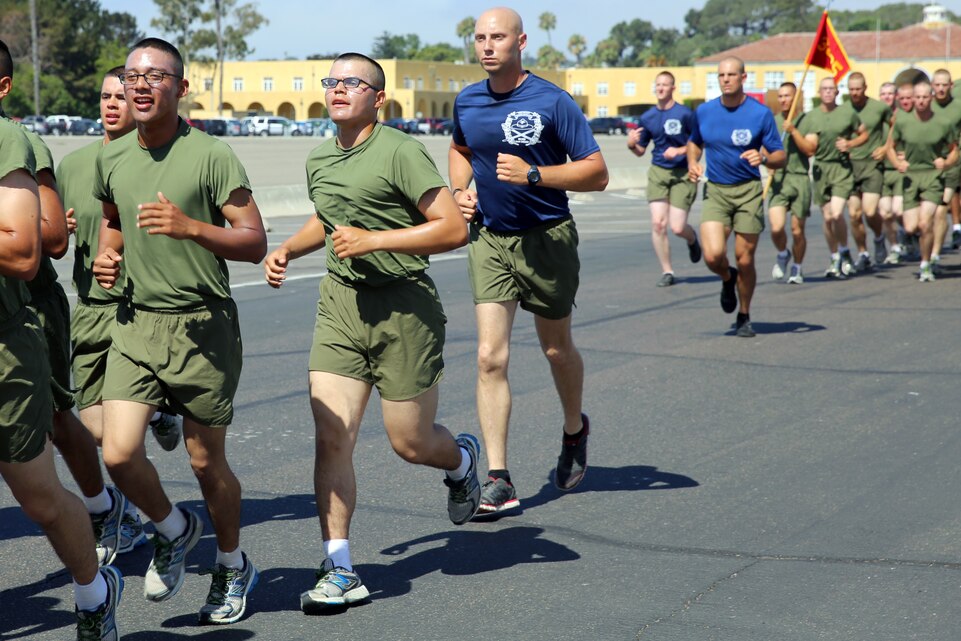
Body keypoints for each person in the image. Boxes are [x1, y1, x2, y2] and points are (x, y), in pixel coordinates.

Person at [264, 52, 479, 613]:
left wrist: (375, 241)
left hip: (404, 309)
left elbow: (453, 227)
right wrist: (289, 246)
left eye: (351, 83)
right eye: (331, 81)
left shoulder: (401, 151)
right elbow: (330, 217)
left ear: (377, 98)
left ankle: (460, 463)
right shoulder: (319, 157)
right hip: (341, 306)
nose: (337, 89)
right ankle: (339, 566)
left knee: (411, 442)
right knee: (332, 434)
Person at [92, 37, 266, 624]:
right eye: (134, 76)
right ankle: (173, 528)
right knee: (117, 453)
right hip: (136, 322)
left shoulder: (213, 157)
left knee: (204, 462)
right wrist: (105, 257)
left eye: (156, 77)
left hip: (202, 327)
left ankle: (231, 562)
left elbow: (253, 241)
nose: (141, 86)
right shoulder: (112, 158)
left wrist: (191, 228)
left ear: (180, 88)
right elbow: (113, 226)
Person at [448, 7, 609, 514]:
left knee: (556, 350)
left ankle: (573, 429)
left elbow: (597, 172)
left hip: (548, 239)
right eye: (480, 38)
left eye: (498, 37)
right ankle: (498, 477)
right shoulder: (467, 100)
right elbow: (459, 148)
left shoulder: (552, 100)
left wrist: (536, 175)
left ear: (521, 42)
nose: (487, 45)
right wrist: (459, 190)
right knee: (489, 356)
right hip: (491, 238)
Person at [0, 39, 128, 569]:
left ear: (4, 87)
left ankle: (100, 507)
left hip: (29, 304)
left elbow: (49, 240)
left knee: (54, 413)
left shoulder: (22, 144)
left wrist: (43, 221)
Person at [58, 66, 184, 559]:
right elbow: (52, 240)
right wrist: (59, 231)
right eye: (106, 96)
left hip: (139, 307)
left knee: (121, 431)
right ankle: (155, 421)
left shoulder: (155, 161)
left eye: (121, 96)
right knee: (94, 426)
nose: (113, 104)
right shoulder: (73, 166)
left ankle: (133, 513)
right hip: (90, 306)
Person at [687, 56, 785, 338]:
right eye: (721, 75)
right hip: (716, 190)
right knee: (713, 255)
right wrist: (693, 162)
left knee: (745, 259)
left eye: (732, 75)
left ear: (744, 78)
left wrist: (764, 156)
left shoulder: (760, 114)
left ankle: (744, 315)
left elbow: (780, 156)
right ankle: (726, 278)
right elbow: (694, 143)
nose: (726, 79)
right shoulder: (704, 112)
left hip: (748, 192)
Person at [627, 70, 701, 287]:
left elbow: (698, 143)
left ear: (673, 88)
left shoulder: (686, 114)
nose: (660, 88)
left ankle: (692, 239)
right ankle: (667, 271)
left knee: (677, 227)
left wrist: (679, 152)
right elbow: (641, 150)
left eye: (665, 84)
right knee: (658, 224)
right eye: (657, 84)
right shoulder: (648, 117)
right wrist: (631, 144)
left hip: (682, 174)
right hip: (659, 171)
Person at [887, 80, 958, 282]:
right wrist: (897, 163)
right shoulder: (902, 121)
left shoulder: (943, 122)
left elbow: (954, 150)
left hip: (932, 177)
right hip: (910, 177)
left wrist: (945, 163)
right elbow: (890, 146)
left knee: (926, 223)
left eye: (924, 97)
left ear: (931, 98)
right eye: (917, 97)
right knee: (911, 227)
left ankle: (925, 264)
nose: (920, 101)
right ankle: (913, 241)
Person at [805, 76, 867, 279]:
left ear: (837, 92)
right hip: (821, 169)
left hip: (841, 169)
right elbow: (808, 146)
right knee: (827, 216)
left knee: (836, 213)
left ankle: (844, 250)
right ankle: (835, 256)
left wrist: (850, 144)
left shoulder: (847, 113)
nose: (828, 92)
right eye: (824, 89)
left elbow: (863, 134)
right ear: (819, 92)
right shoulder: (812, 117)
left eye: (832, 89)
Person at [841, 72, 890, 271]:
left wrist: (887, 147)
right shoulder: (843, 110)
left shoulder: (879, 108)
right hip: (850, 166)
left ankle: (879, 237)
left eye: (858, 89)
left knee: (870, 211)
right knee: (854, 214)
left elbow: (896, 125)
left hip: (872, 165)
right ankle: (863, 253)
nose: (855, 93)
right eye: (851, 89)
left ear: (865, 87)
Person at [767, 81, 816, 284]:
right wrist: (766, 161)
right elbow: (763, 148)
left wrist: (794, 131)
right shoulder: (772, 121)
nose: (783, 100)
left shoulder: (807, 120)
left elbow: (810, 149)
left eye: (787, 96)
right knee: (776, 227)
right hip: (778, 179)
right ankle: (782, 253)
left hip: (799, 177)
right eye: (780, 96)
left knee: (797, 230)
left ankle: (797, 267)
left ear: (796, 98)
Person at [930, 69, 961, 267]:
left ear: (951, 86)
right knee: (928, 214)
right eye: (937, 85)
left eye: (944, 85)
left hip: (953, 163)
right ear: (933, 86)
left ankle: (934, 256)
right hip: (927, 166)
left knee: (941, 209)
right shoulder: (925, 107)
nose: (941, 89)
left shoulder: (958, 107)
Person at [877, 82, 906, 264]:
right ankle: (894, 246)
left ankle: (908, 233)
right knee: (885, 213)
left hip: (900, 170)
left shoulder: (903, 117)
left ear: (895, 96)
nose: (886, 97)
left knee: (898, 210)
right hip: (881, 171)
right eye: (883, 94)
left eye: (890, 94)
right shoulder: (875, 118)